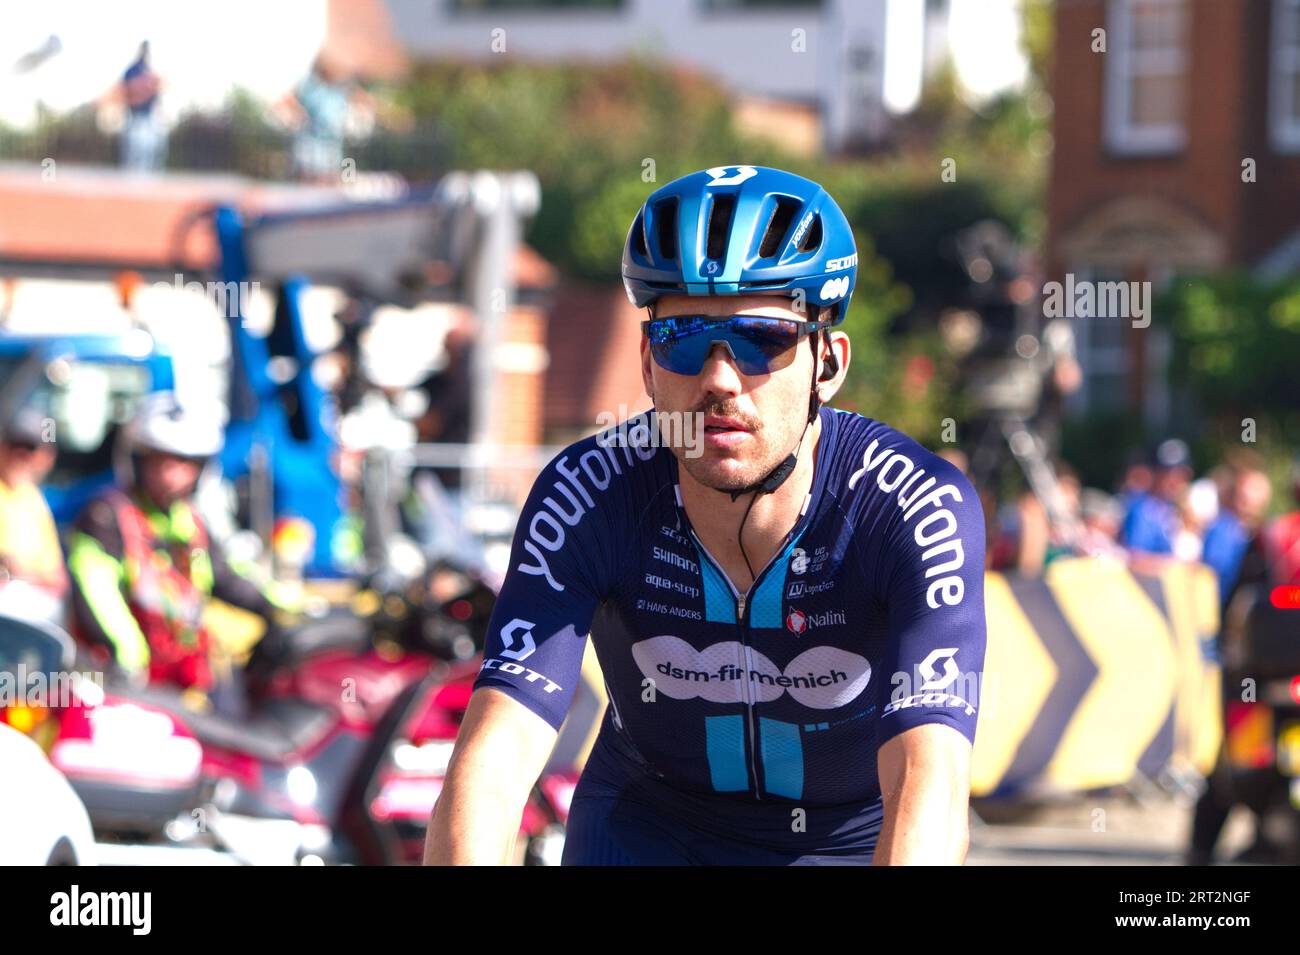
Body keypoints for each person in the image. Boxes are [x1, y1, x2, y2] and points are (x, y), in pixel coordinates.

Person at [425, 166, 987, 866]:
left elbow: (929, 778)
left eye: (762, 338)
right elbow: (497, 754)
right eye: (684, 338)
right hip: (646, 829)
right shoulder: (588, 494)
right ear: (646, 360)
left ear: (827, 362)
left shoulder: (909, 506)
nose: (720, 378)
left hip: (844, 842)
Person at [67, 393, 282, 696]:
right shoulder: (106, 515)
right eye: (160, 462)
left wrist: (280, 606)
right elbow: (96, 591)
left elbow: (226, 578)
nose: (171, 476)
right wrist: (127, 654)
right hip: (124, 681)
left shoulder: (190, 521)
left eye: (185, 464)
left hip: (183, 676)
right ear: (138, 461)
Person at [0, 407, 68, 621]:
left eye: (30, 449)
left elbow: (58, 577)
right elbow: (8, 564)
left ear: (47, 457)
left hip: (37, 616)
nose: (21, 456)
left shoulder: (34, 499)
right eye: (15, 445)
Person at [119, 41, 166, 172]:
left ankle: (145, 174)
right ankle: (130, 174)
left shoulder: (151, 72)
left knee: (148, 147)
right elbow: (126, 90)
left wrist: (160, 111)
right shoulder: (132, 71)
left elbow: (157, 95)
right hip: (134, 115)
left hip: (148, 116)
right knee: (133, 148)